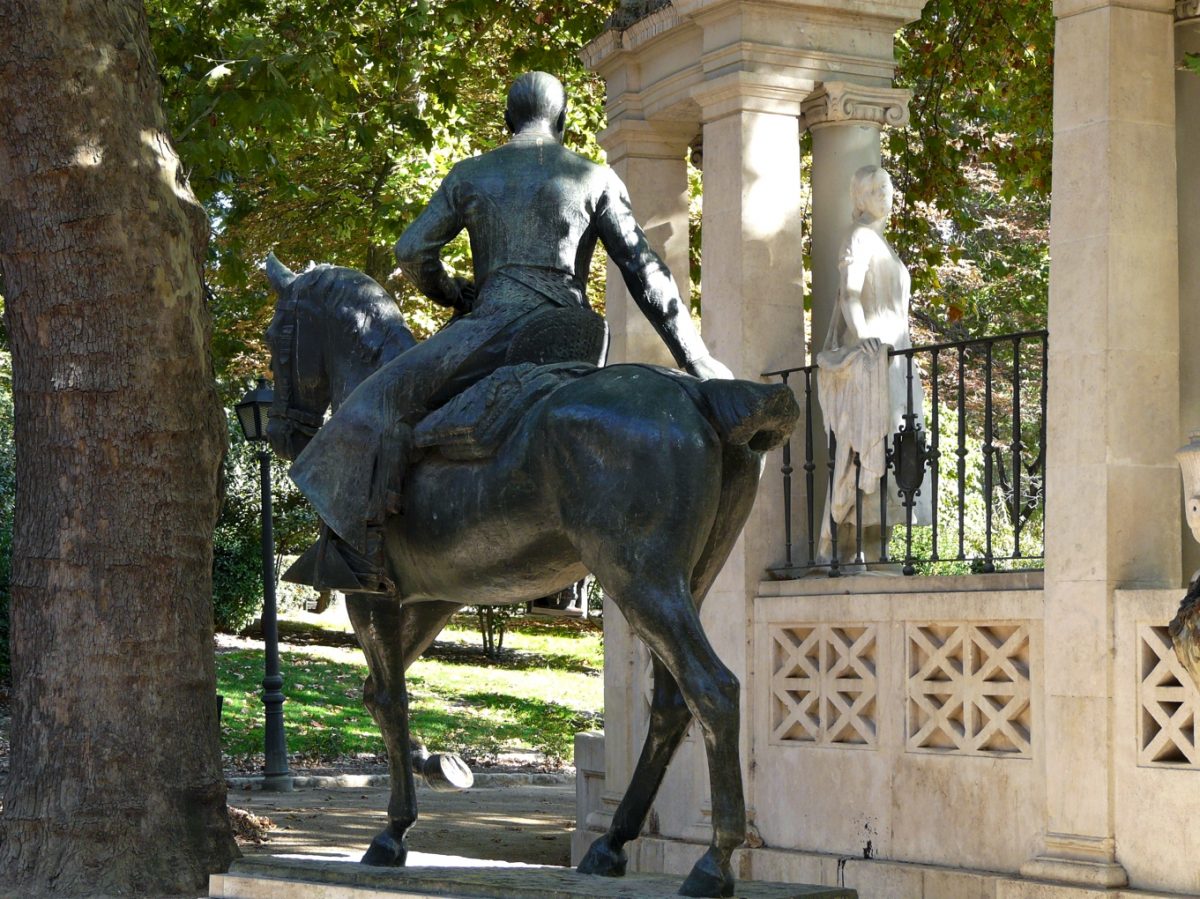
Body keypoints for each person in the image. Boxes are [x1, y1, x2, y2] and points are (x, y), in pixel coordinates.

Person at [289, 71, 732, 593]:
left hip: (496, 326)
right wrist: (695, 358)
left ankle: (359, 554)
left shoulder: (472, 174)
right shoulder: (595, 177)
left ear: (507, 119)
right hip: (575, 334)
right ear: (563, 120)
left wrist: (453, 292)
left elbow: (411, 252)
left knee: (371, 402)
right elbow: (645, 271)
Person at [816, 164, 930, 564]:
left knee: (895, 447)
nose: (887, 196)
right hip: (874, 355)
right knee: (870, 449)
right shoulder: (860, 237)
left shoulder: (882, 243)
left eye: (889, 188)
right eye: (878, 190)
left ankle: (878, 548)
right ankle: (854, 549)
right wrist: (864, 338)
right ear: (860, 198)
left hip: (896, 355)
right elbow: (849, 294)